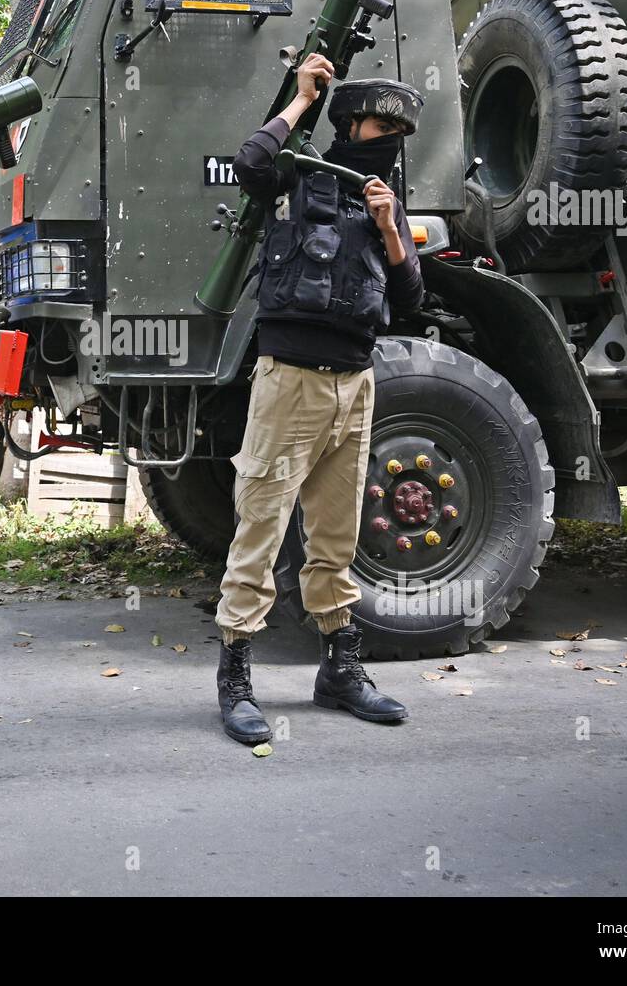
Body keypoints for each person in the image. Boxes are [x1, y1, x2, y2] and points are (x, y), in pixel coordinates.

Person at [214, 55, 425, 745]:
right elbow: (249, 163)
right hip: (291, 381)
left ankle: (340, 670)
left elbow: (413, 299)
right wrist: (301, 99)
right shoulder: (299, 176)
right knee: (262, 527)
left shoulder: (384, 198)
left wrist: (392, 228)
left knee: (335, 539)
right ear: (349, 122)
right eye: (378, 121)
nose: (388, 134)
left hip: (354, 385)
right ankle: (236, 676)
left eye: (399, 126)